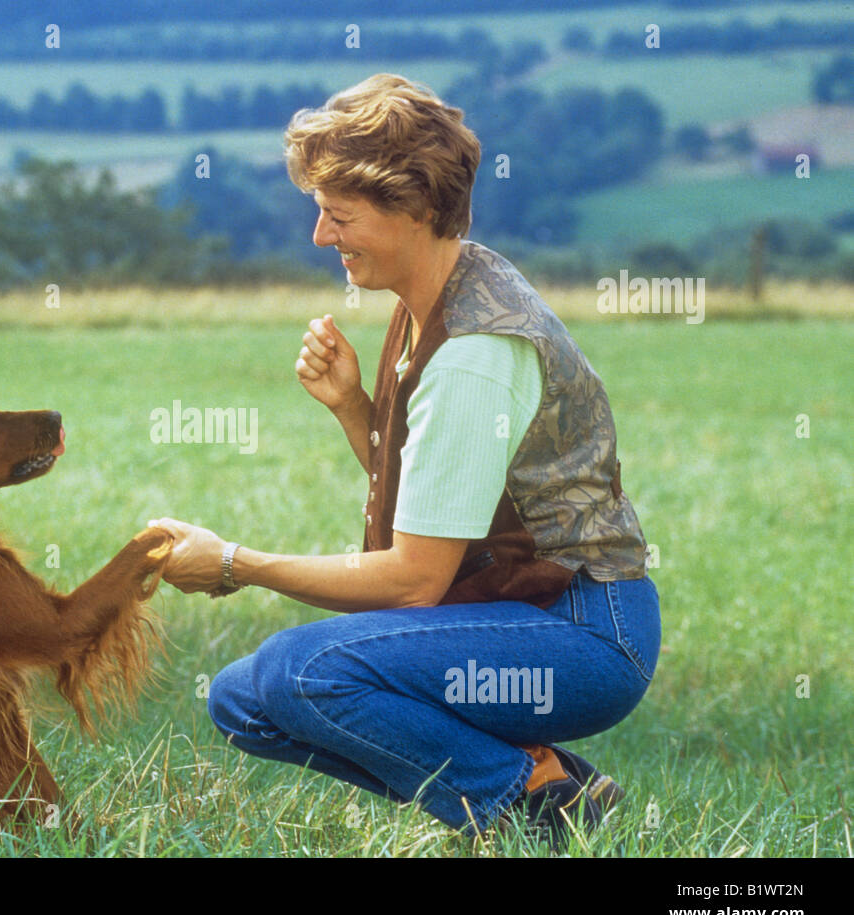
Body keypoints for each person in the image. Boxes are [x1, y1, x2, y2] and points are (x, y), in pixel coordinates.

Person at [149, 74, 660, 851]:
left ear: (415, 208)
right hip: (521, 613)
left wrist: (233, 563)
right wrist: (356, 408)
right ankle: (547, 781)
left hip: (584, 635)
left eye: (338, 215)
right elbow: (444, 502)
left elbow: (416, 580)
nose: (322, 236)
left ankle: (529, 804)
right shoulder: (432, 296)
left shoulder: (475, 354)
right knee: (240, 700)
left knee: (299, 672)